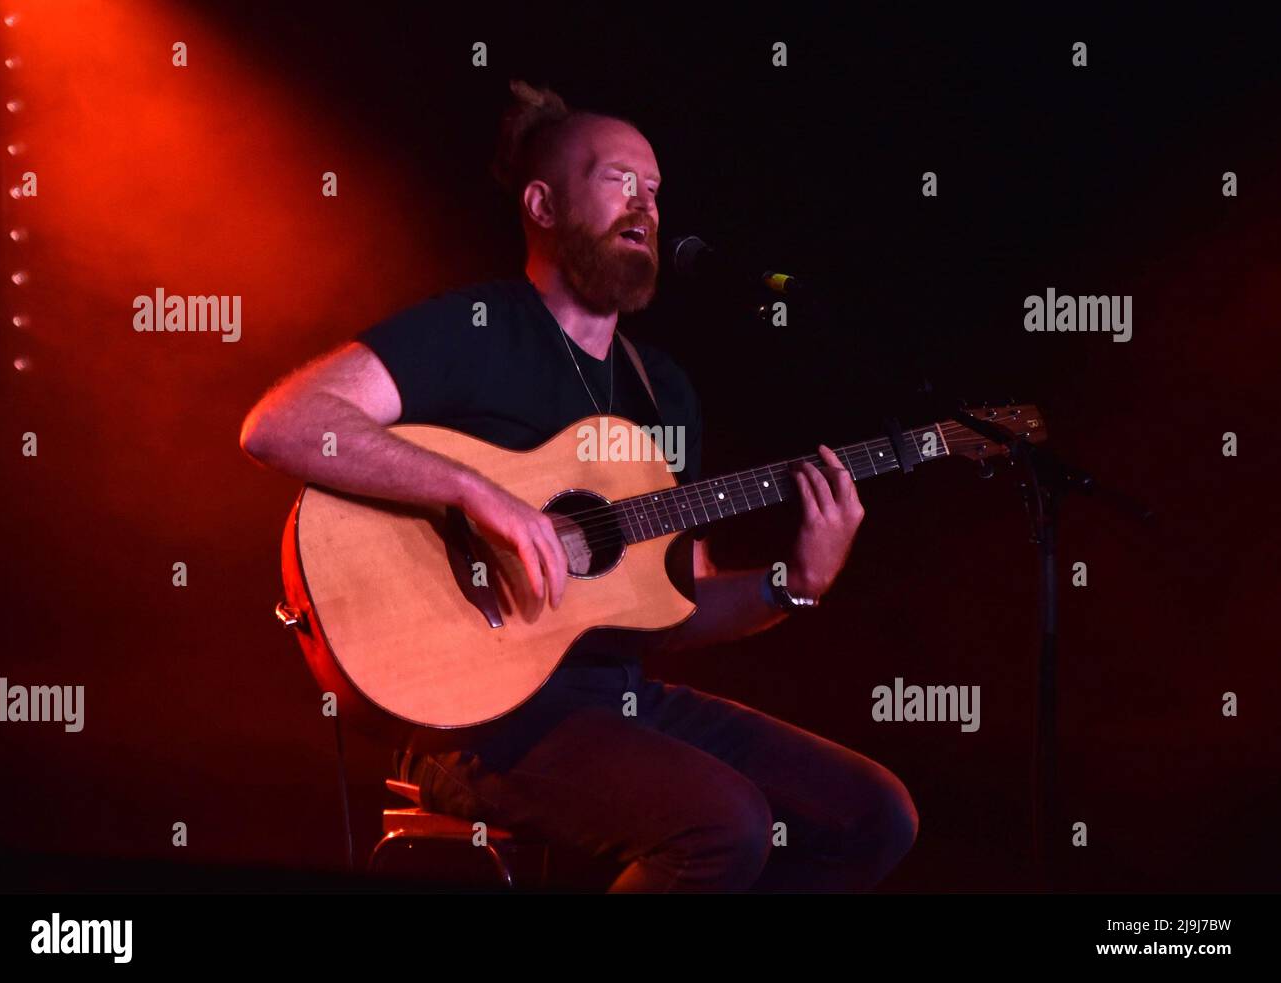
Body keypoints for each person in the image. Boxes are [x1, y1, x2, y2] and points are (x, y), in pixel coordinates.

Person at [239, 80, 918, 892]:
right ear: (543, 203)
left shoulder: (664, 393)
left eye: (656, 190)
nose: (647, 204)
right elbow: (279, 423)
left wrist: (793, 583)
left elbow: (674, 605)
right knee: (724, 823)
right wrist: (474, 492)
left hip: (617, 702)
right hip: (475, 723)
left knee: (874, 815)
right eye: (618, 179)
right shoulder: (478, 329)